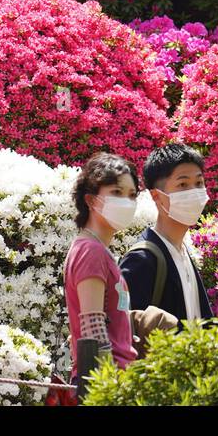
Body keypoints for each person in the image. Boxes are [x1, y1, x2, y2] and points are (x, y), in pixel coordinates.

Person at [63, 152, 176, 399]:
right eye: (116, 192)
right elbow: (92, 328)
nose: (126, 201)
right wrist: (111, 389)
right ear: (91, 200)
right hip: (104, 385)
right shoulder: (90, 251)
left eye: (132, 195)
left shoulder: (97, 250)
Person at [120, 142, 214, 328]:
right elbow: (125, 334)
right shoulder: (142, 260)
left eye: (199, 183)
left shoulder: (182, 250)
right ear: (156, 196)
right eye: (183, 184)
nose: (194, 192)